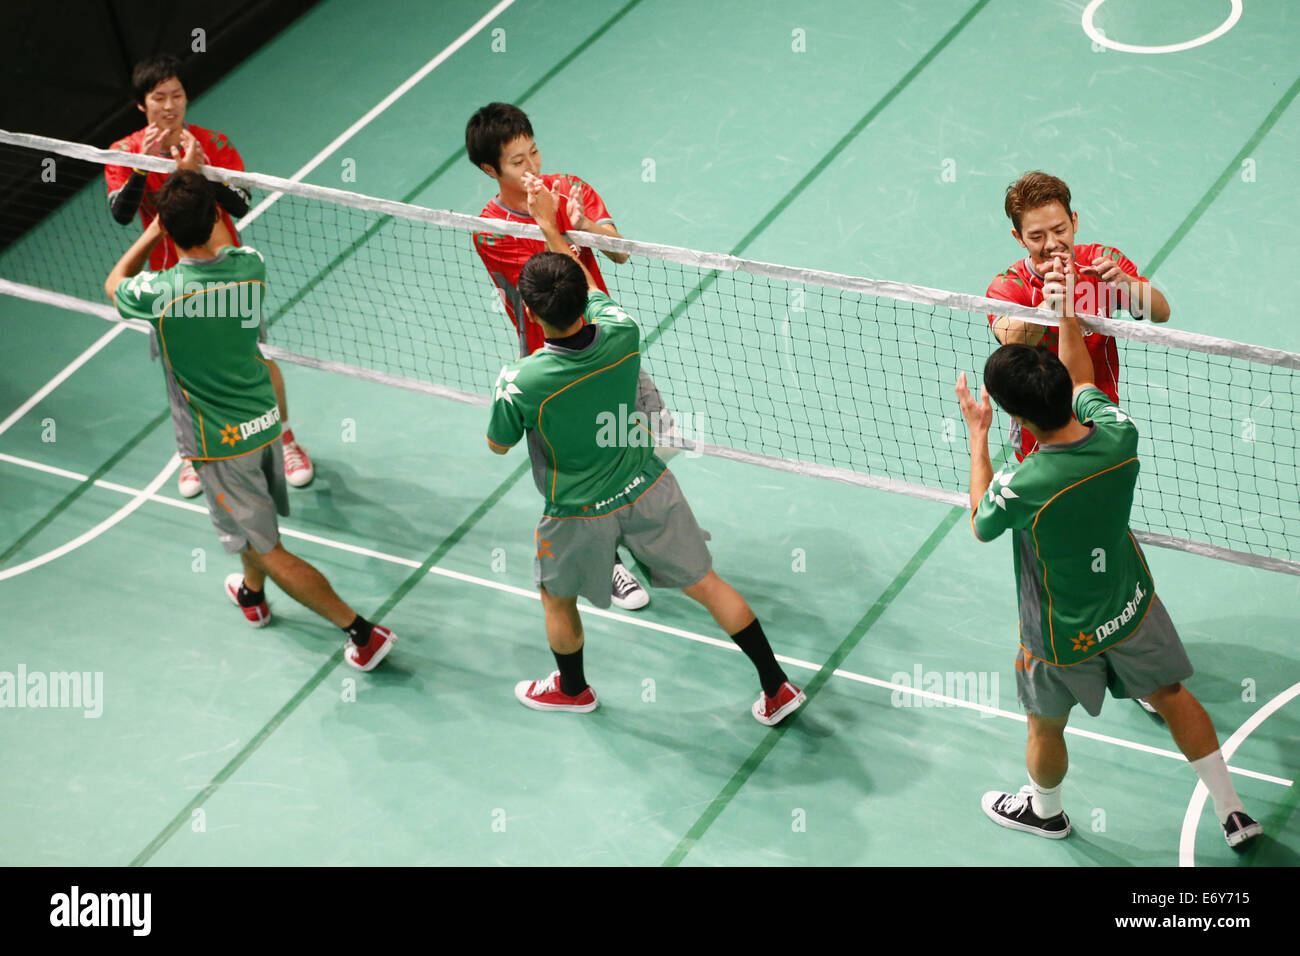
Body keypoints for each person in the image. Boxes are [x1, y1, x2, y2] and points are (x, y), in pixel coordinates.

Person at [487, 175, 804, 725]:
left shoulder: (522, 380)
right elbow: (593, 288)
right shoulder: (622, 331)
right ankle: (777, 687)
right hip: (646, 484)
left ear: (532, 317)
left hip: (577, 511)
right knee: (707, 585)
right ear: (585, 300)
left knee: (556, 599)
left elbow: (498, 444)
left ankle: (573, 689)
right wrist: (550, 228)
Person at [954, 285, 1260, 850]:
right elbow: (1084, 377)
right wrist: (1068, 313)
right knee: (1171, 694)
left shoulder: (1023, 484)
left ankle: (1045, 812)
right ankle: (1233, 809)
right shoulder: (1119, 435)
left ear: (1012, 413)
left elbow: (980, 522)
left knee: (1045, 725)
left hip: (1059, 631)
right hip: (1128, 602)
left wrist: (978, 441)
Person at [106, 170, 395, 672]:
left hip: (218, 447)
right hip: (264, 426)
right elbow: (215, 236)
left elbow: (114, 285)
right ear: (217, 218)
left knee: (267, 547)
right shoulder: (249, 266)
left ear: (169, 232)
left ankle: (361, 633)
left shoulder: (163, 294)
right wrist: (197, 190)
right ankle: (251, 595)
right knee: (250, 533)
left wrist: (153, 230)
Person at [467, 101, 676, 612]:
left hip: (605, 345)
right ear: (490, 170)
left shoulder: (571, 189)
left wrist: (589, 227)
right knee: (576, 469)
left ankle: (632, 528)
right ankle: (607, 563)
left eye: (534, 151)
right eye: (517, 162)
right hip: (551, 363)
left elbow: (622, 252)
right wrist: (551, 225)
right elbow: (556, 288)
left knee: (660, 438)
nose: (532, 168)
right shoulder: (493, 230)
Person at [106, 54, 313, 499]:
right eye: (158, 97)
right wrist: (145, 168)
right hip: (169, 285)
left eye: (176, 95)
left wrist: (202, 175)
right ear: (141, 105)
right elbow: (122, 213)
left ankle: (285, 437)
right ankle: (191, 456)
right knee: (179, 374)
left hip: (225, 274)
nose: (169, 105)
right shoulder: (123, 153)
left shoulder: (210, 142)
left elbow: (240, 203)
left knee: (254, 358)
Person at [986, 170, 1171, 461]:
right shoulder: (1010, 285)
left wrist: (1126, 282)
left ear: (1074, 221)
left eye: (1060, 230)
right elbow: (1010, 338)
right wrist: (1048, 307)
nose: (1051, 244)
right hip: (1039, 435)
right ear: (1019, 237)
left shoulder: (1102, 261)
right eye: (1036, 236)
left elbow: (1161, 313)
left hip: (1098, 418)